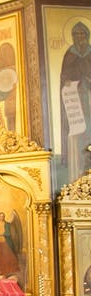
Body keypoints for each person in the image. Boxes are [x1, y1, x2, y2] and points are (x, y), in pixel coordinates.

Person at [59, 21, 91, 180]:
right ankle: (79, 172)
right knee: (79, 135)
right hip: (76, 104)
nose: (80, 38)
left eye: (82, 34)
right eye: (76, 34)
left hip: (89, 98)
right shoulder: (70, 54)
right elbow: (64, 77)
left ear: (87, 35)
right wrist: (69, 81)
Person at [0, 211, 21, 279]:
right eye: (0, 216)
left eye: (2, 216)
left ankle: (6, 270)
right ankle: (1, 270)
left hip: (5, 241)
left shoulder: (7, 224)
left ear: (4, 217)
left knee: (6, 256)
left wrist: (3, 236)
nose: (1, 217)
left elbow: (8, 234)